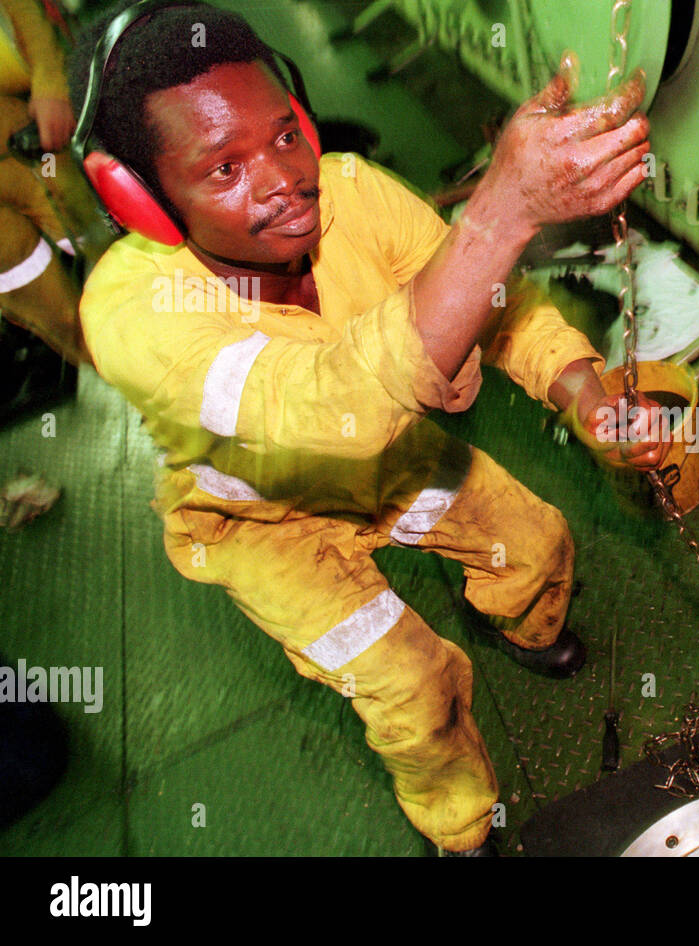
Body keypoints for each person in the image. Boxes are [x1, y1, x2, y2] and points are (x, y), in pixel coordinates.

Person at [71, 0, 665, 854]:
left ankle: (527, 629)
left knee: (533, 543)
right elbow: (331, 407)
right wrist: (501, 214)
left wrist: (583, 392)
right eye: (225, 169)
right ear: (141, 200)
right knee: (415, 690)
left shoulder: (347, 189)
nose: (283, 179)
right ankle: (460, 828)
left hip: (383, 463)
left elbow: (490, 300)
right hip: (265, 525)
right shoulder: (134, 314)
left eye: (284, 134)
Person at [0, 0, 103, 364]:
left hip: (29, 142)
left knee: (111, 248)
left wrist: (50, 80)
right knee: (63, 322)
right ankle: (152, 395)